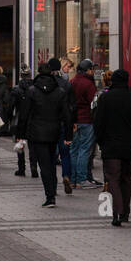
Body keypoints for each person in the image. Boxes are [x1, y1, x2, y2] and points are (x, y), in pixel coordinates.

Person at [92, 67, 131, 226]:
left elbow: (98, 123)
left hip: (110, 146)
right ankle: (125, 212)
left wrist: (100, 141)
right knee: (126, 178)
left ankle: (117, 212)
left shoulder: (105, 99)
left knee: (113, 178)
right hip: (128, 146)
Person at [17, 62, 73, 208]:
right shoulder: (59, 91)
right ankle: (52, 190)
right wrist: (68, 136)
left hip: (37, 133)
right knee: (52, 162)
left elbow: (24, 114)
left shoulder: (32, 91)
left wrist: (20, 134)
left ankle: (50, 196)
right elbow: (67, 115)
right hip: (54, 131)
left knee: (44, 165)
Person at [69, 59, 99, 189]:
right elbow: (94, 103)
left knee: (74, 149)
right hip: (86, 120)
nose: (93, 71)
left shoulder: (72, 82)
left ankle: (73, 179)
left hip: (74, 121)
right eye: (92, 69)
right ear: (87, 70)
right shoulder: (88, 84)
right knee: (85, 150)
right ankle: (82, 179)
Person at [47, 56, 74, 194]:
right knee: (65, 153)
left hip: (49, 124)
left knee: (51, 155)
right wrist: (71, 127)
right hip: (63, 123)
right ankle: (66, 176)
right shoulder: (66, 84)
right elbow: (70, 108)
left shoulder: (45, 84)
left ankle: (52, 184)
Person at [8, 65, 36, 177]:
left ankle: (21, 168)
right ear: (30, 75)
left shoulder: (16, 89)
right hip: (33, 119)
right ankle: (34, 167)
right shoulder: (35, 88)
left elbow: (11, 106)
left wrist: (10, 119)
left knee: (20, 144)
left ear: (20, 76)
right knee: (33, 145)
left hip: (20, 119)